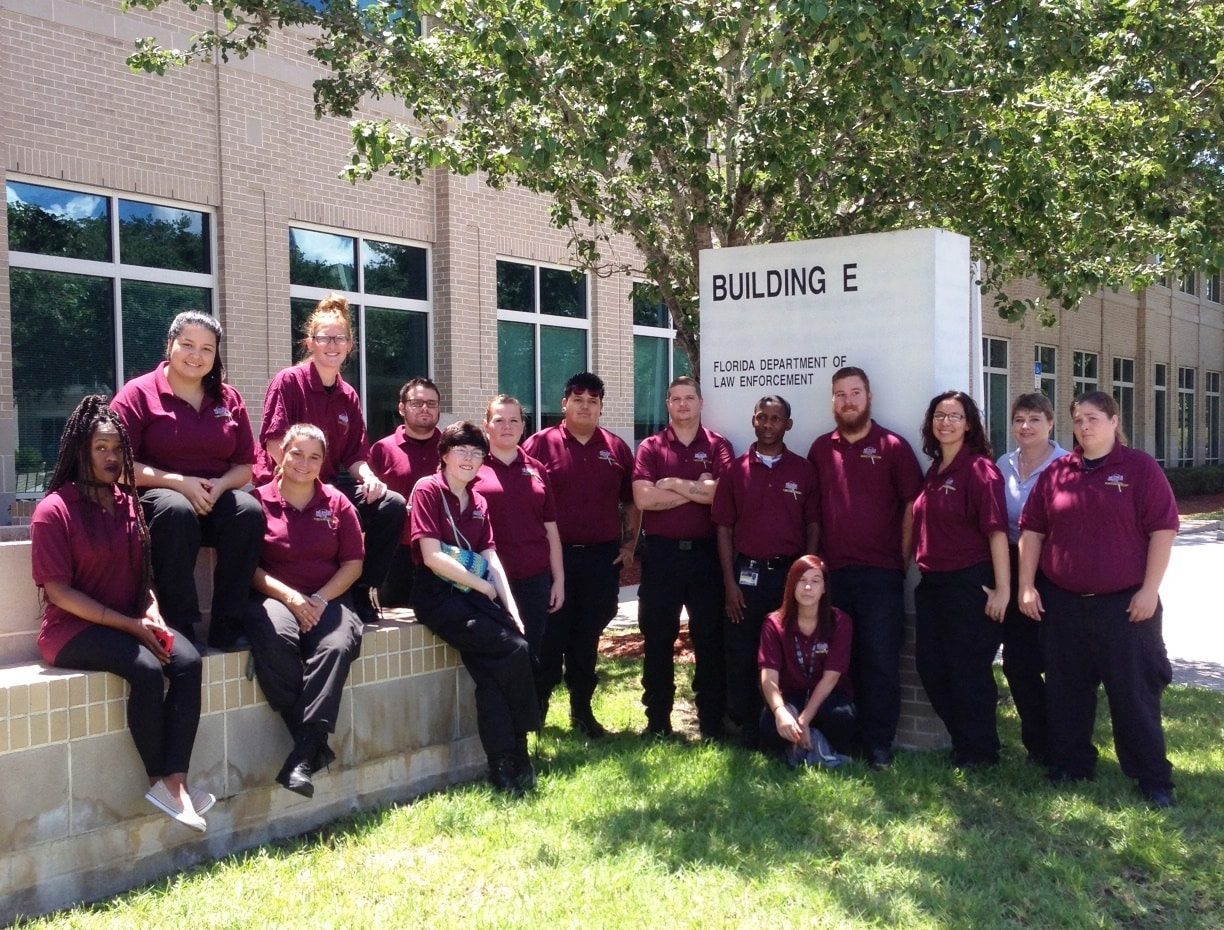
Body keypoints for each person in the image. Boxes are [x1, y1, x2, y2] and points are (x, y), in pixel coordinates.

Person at [31, 395, 210, 831]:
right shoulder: (54, 510)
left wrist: (151, 612)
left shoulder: (128, 502)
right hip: (72, 631)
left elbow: (142, 573)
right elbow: (57, 592)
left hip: (129, 622)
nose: (111, 458)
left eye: (117, 449)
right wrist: (129, 625)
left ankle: (177, 782)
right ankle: (158, 781)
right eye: (100, 449)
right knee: (147, 670)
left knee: (186, 661)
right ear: (80, 452)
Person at [1019, 391, 1179, 808]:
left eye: (1092, 418)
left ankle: (1152, 779)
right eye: (1078, 420)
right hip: (1063, 603)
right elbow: (1032, 532)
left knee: (1133, 694)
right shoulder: (1058, 473)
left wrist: (1150, 590)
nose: (1084, 427)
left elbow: (1163, 531)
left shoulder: (1139, 468)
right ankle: (1071, 765)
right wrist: (1027, 585)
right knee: (1066, 691)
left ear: (1113, 420)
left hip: (1125, 605)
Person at [110, 310, 264, 650]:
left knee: (249, 512)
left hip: (212, 495)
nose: (197, 355)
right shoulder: (138, 394)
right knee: (177, 511)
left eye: (207, 349)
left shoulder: (229, 398)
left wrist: (219, 486)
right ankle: (181, 626)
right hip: (157, 498)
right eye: (188, 345)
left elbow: (244, 467)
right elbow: (117, 465)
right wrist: (179, 482)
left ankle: (228, 625)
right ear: (170, 345)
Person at [255, 293, 406, 624]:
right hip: (284, 484)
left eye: (340, 338)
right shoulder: (288, 381)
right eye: (324, 338)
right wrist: (307, 482)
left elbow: (355, 454)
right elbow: (274, 442)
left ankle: (363, 590)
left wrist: (369, 477)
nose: (332, 345)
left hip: (328, 484)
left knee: (391, 504)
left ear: (350, 345)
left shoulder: (347, 394)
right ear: (311, 342)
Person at [409, 421, 541, 794]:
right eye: (461, 451)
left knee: (495, 670)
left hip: (475, 592)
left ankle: (502, 764)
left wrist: (510, 606)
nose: (469, 459)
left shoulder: (479, 499)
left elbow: (490, 554)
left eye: (476, 453)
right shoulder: (428, 490)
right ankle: (520, 746)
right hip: (438, 595)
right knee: (513, 650)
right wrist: (484, 587)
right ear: (445, 455)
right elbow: (432, 557)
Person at [806, 366, 923, 769]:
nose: (847, 401)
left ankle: (878, 745)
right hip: (834, 576)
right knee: (839, 661)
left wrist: (901, 561)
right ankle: (846, 738)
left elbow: (912, 506)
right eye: (840, 394)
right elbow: (815, 515)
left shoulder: (893, 446)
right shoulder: (821, 449)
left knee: (879, 661)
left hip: (881, 576)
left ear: (869, 397)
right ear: (832, 400)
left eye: (855, 393)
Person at [246, 424, 365, 798]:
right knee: (276, 638)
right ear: (281, 452)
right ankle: (311, 745)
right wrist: (291, 599)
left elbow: (353, 563)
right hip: (275, 596)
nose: (304, 463)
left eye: (315, 456)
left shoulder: (337, 502)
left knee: (335, 646)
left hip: (328, 596)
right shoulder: (255, 502)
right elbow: (248, 567)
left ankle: (301, 755)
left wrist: (320, 599)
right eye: (297, 453)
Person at [522, 372, 639, 737]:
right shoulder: (539, 445)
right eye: (578, 399)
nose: (585, 406)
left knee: (587, 638)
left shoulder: (616, 448)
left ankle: (582, 712)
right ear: (564, 404)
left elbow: (632, 501)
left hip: (601, 560)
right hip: (554, 561)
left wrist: (630, 544)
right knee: (549, 637)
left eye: (592, 400)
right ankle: (536, 713)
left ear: (601, 406)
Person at [712, 395, 819, 749]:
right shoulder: (735, 470)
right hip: (746, 577)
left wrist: (807, 578)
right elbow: (724, 529)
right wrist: (729, 584)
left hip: (787, 578)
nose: (768, 424)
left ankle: (779, 726)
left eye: (776, 419)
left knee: (784, 653)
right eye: (762, 417)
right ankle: (745, 726)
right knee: (742, 653)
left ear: (788, 425)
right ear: (753, 420)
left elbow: (813, 526)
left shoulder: (803, 470)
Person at [911, 390, 1010, 768]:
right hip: (933, 585)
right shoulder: (934, 470)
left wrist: (1003, 590)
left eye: (954, 416)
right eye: (939, 415)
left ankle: (980, 752)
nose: (946, 422)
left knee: (968, 671)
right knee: (932, 668)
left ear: (969, 424)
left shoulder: (979, 469)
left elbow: (997, 531)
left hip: (969, 584)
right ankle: (965, 740)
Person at [633, 376, 735, 739]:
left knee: (709, 639)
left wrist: (672, 484)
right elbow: (644, 499)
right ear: (667, 404)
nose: (682, 405)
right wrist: (697, 488)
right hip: (661, 557)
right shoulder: (651, 446)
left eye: (689, 398)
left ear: (701, 402)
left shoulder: (718, 445)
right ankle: (657, 721)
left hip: (706, 558)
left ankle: (710, 722)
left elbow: (722, 496)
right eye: (675, 399)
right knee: (658, 639)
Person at [473, 395, 564, 709]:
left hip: (534, 578)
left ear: (524, 426)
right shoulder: (472, 467)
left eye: (514, 420)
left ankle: (531, 723)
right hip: (488, 582)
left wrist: (559, 579)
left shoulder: (536, 469)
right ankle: (503, 727)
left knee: (532, 651)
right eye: (499, 420)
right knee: (499, 654)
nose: (507, 426)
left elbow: (550, 527)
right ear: (486, 426)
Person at [996, 392, 1068, 765]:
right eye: (1019, 419)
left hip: (1053, 568)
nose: (1025, 426)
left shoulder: (1067, 465)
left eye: (1035, 419)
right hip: (1010, 564)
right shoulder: (1002, 464)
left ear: (1051, 423)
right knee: (1018, 662)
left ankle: (1066, 741)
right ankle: (1038, 743)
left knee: (1058, 661)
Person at [757, 555, 856, 767]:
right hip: (791, 696)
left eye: (815, 581)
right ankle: (804, 745)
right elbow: (768, 678)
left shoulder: (840, 622)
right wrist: (781, 712)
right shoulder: (774, 623)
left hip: (826, 697)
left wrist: (803, 721)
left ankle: (808, 744)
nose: (808, 587)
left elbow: (831, 679)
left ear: (824, 589)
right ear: (791, 585)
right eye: (801, 580)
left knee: (842, 718)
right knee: (769, 724)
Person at [368, 377, 443, 609]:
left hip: (443, 550)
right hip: (395, 552)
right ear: (401, 408)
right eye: (417, 402)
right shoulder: (382, 449)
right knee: (398, 625)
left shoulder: (451, 448)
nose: (425, 408)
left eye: (431, 403)